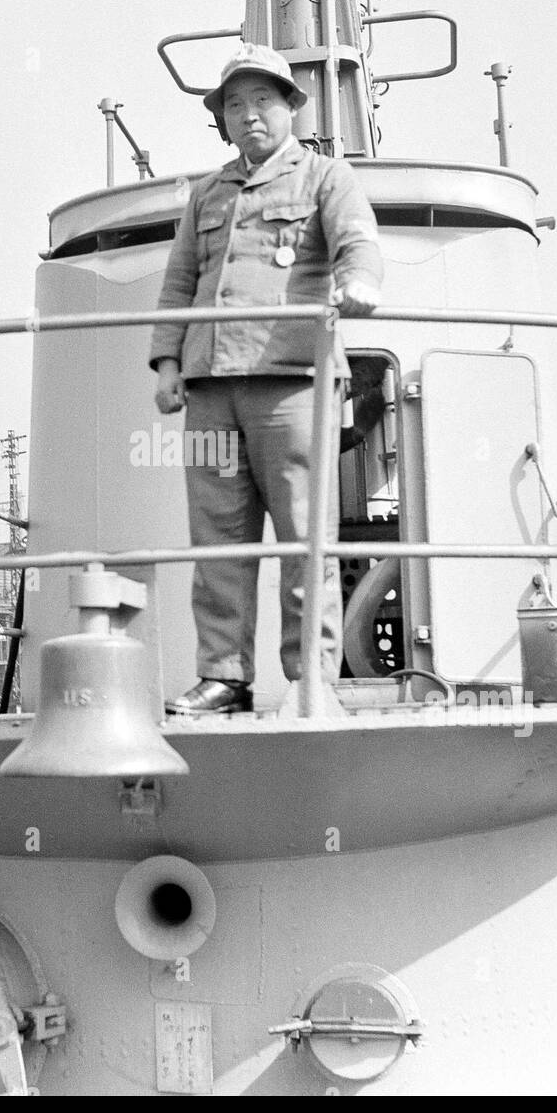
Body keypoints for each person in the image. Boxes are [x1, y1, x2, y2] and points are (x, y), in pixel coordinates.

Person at [148, 43, 383, 714]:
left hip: (292, 381)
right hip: (210, 387)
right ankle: (223, 675)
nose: (249, 115)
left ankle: (312, 677)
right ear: (222, 119)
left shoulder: (325, 178)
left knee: (307, 539)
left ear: (290, 108)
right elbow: (179, 282)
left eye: (262, 101)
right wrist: (168, 362)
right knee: (216, 542)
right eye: (235, 105)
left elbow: (357, 241)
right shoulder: (207, 194)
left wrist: (358, 282)